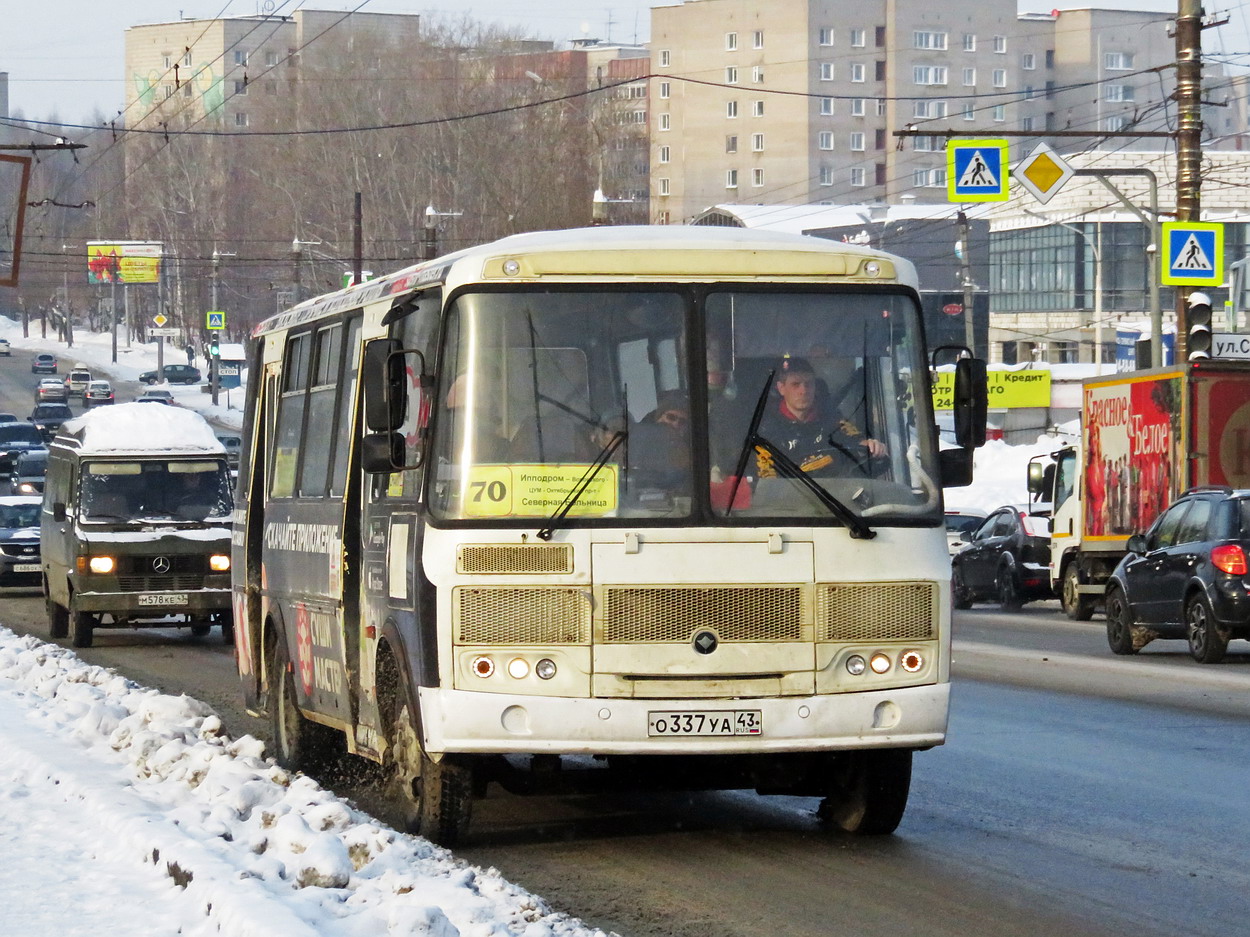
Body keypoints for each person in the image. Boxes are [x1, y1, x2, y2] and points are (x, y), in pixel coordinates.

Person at [755, 356, 886, 478]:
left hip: (837, 497)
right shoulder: (766, 432)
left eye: (808, 384)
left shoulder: (832, 419)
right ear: (781, 388)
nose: (804, 391)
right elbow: (768, 482)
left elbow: (856, 440)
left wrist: (872, 446)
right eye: (796, 384)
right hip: (791, 500)